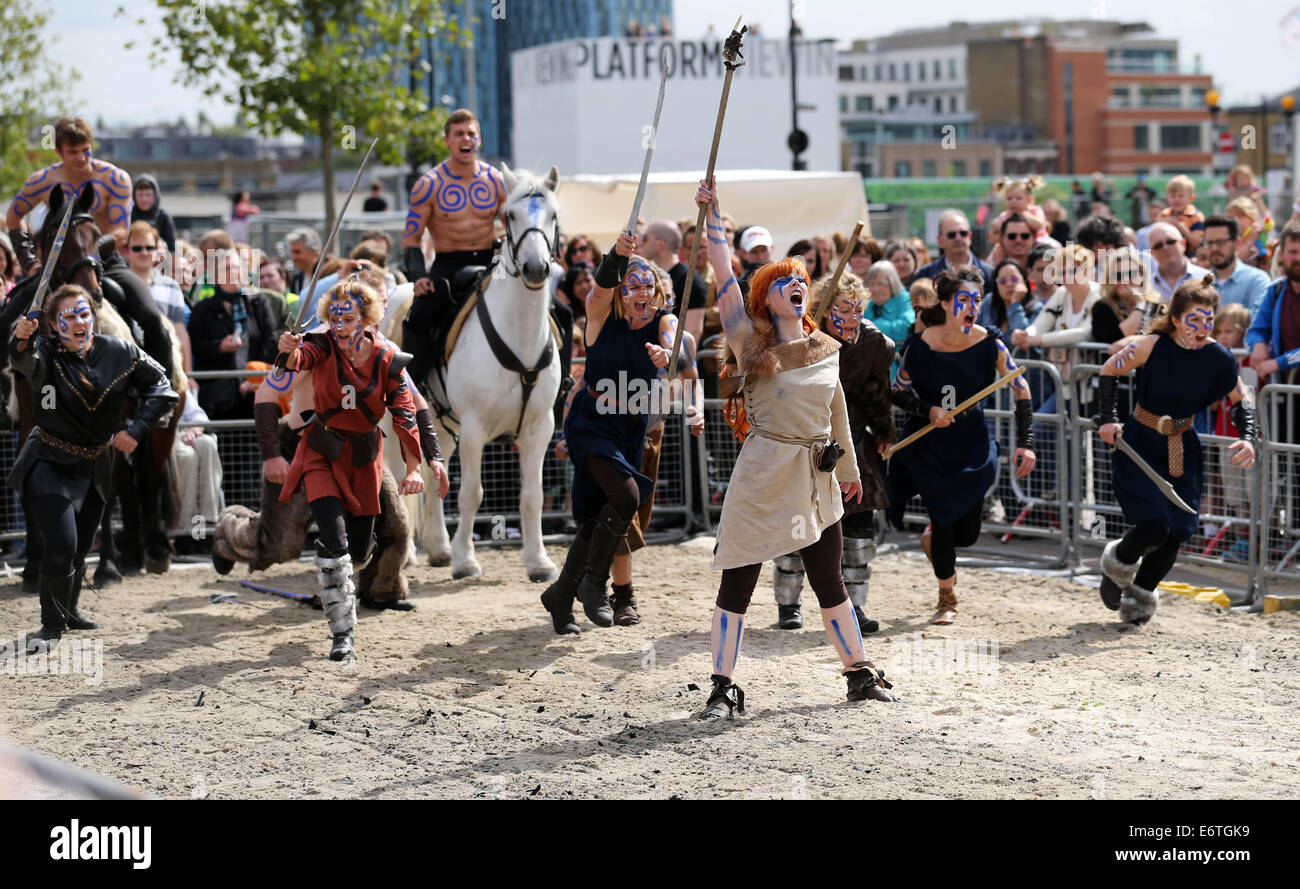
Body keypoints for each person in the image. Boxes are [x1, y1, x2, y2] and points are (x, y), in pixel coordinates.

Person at [692, 178, 898, 717]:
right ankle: (722, 685)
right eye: (785, 281)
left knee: (829, 577)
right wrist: (715, 219)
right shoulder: (750, 343)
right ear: (767, 297)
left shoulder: (824, 348)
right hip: (763, 471)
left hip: (816, 474)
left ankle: (857, 671)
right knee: (740, 578)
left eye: (801, 280)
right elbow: (724, 280)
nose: (797, 285)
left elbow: (838, 412)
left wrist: (850, 468)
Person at [9, 284, 177, 653]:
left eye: (84, 314)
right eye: (68, 317)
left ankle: (69, 611)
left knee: (83, 545)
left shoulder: (121, 350)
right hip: (49, 461)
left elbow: (164, 387)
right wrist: (19, 339)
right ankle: (50, 625)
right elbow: (21, 359)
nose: (79, 322)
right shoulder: (43, 352)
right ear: (53, 326)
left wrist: (135, 428)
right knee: (62, 542)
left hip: (96, 464)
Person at [276, 279, 426, 660]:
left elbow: (406, 415)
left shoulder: (388, 359)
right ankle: (343, 635)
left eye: (349, 318)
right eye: (335, 318)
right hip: (322, 450)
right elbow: (298, 361)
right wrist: (287, 351)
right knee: (336, 542)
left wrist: (413, 468)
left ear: (368, 319)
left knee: (359, 552)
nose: (340, 327)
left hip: (363, 458)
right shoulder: (322, 345)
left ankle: (338, 568)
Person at [1095, 276, 1256, 624]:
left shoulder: (1219, 357)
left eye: (1208, 319)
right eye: (1194, 319)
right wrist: (1106, 418)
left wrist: (1248, 435)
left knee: (1176, 533)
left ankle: (1138, 601)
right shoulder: (1150, 344)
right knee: (1153, 527)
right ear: (1176, 319)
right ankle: (1117, 566)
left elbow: (1242, 398)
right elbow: (1109, 369)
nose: (1202, 327)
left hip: (1183, 448)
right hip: (1140, 443)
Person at [539, 235, 675, 634]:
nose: (642, 292)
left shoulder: (662, 318)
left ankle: (560, 596)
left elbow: (678, 347)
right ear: (621, 289)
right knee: (628, 495)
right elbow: (599, 289)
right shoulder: (600, 315)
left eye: (649, 285)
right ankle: (594, 586)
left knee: (597, 516)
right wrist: (619, 254)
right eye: (633, 284)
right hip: (592, 421)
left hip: (629, 428)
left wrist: (669, 358)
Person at [888, 267, 1036, 625]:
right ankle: (947, 597)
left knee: (966, 534)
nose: (971, 307)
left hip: (972, 442)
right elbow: (897, 391)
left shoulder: (991, 344)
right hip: (931, 442)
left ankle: (937, 542)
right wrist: (929, 409)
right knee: (942, 521)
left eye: (976, 300)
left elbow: (1021, 388)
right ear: (945, 303)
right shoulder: (920, 347)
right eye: (963, 300)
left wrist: (1026, 442)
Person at [773, 270, 895, 634]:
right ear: (827, 310)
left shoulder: (875, 344)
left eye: (859, 309)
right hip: (803, 439)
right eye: (844, 309)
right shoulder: (801, 337)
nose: (852, 318)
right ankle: (789, 604)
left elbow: (877, 394)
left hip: (853, 440)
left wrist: (885, 431)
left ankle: (855, 606)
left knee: (859, 527)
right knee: (798, 524)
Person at [5, 117, 175, 380]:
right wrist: (29, 262)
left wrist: (89, 255)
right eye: (73, 152)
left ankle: (161, 391)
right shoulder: (42, 180)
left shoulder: (114, 178)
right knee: (6, 319)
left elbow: (121, 231)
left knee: (153, 320)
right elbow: (14, 218)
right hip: (56, 268)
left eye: (86, 150)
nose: (82, 158)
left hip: (106, 262)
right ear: (58, 150)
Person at [401, 109, 506, 393]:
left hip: (490, 263)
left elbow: (512, 229)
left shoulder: (496, 180)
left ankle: (558, 389)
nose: (466, 139)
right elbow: (411, 237)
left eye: (471, 133)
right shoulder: (429, 185)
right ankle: (411, 388)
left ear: (479, 139)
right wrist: (418, 275)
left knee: (556, 310)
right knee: (420, 316)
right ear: (447, 140)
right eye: (459, 134)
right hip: (448, 266)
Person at [125, 221, 192, 375]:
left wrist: (188, 374)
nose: (144, 252)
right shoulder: (116, 284)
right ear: (127, 251)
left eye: (149, 248)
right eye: (137, 248)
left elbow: (180, 331)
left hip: (164, 366)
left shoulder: (171, 286)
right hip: (127, 368)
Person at [637, 220, 707, 343]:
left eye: (645, 238)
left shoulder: (690, 280)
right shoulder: (649, 276)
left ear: (660, 243)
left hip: (672, 357)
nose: (641, 243)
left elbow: (693, 332)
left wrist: (672, 359)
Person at [1204, 214, 1271, 317]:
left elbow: (1257, 324)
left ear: (1237, 243)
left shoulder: (1256, 280)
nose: (1214, 248)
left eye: (1220, 242)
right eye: (1209, 243)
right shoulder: (1198, 282)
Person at [916, 210, 994, 293]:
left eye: (963, 233)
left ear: (970, 236)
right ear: (940, 241)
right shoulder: (926, 275)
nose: (958, 238)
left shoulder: (990, 274)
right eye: (951, 235)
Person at [863, 260, 914, 379]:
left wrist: (876, 325)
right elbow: (859, 329)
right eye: (872, 283)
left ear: (892, 283)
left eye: (881, 283)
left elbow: (906, 328)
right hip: (872, 368)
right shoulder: (869, 304)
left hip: (899, 368)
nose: (875, 289)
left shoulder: (903, 298)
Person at [1147, 221, 1210, 301]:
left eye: (1170, 242)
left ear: (1183, 243)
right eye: (1158, 245)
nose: (1165, 248)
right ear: (1152, 253)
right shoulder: (1147, 287)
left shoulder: (1206, 278)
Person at [129, 174, 176, 254]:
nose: (144, 199)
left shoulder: (163, 216)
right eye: (140, 195)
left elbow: (172, 246)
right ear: (134, 196)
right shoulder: (128, 215)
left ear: (155, 195)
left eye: (148, 195)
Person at [1157, 175, 1205, 252]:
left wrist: (1183, 229)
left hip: (1190, 256)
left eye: (1181, 196)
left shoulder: (1196, 216)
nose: (1176, 199)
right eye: (1173, 196)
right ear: (1167, 198)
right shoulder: (1164, 215)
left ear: (1191, 198)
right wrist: (1162, 224)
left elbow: (1199, 244)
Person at [285, 227, 321, 295]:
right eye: (291, 252)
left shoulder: (326, 275)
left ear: (313, 252)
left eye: (297, 252)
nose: (293, 257)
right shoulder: (297, 279)